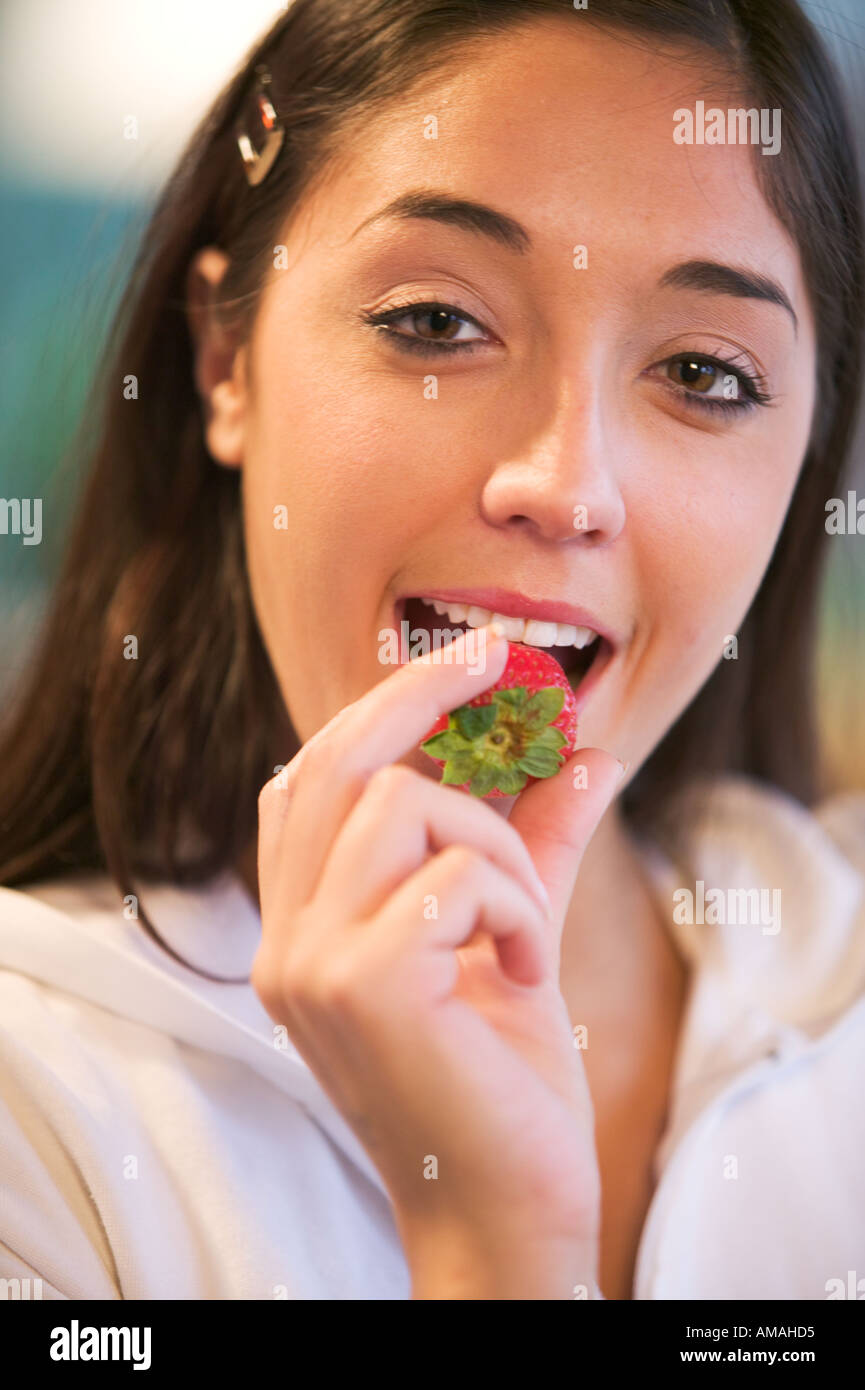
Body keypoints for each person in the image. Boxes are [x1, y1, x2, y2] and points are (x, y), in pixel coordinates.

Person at [0, 0, 863, 1301]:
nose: (565, 485)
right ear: (225, 355)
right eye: (433, 323)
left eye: (702, 370)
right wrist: (492, 1251)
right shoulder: (38, 1099)